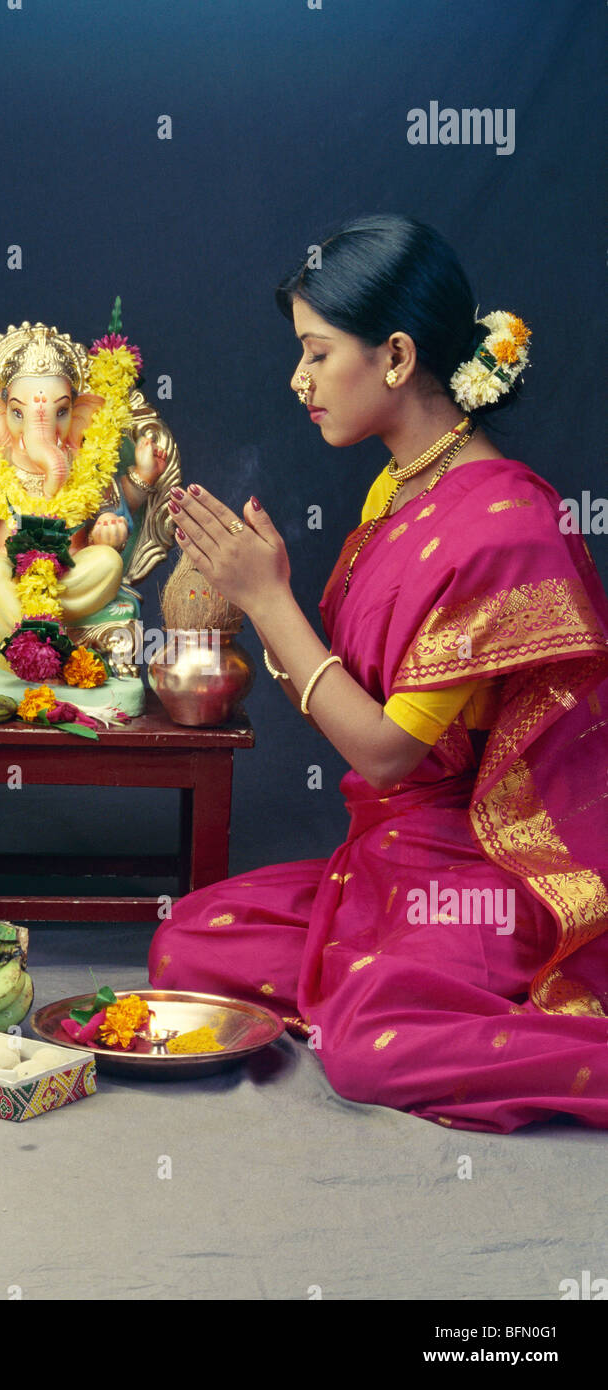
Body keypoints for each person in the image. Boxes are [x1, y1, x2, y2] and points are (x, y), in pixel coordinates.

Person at [149, 214, 608, 1133]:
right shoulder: (397, 492)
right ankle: (378, 968)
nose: (298, 380)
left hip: (477, 863)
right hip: (386, 860)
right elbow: (342, 707)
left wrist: (273, 602)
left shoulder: (504, 526)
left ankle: (465, 993)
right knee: (186, 944)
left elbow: (389, 754)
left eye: (317, 355)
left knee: (366, 1046)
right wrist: (257, 609)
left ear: (395, 356)